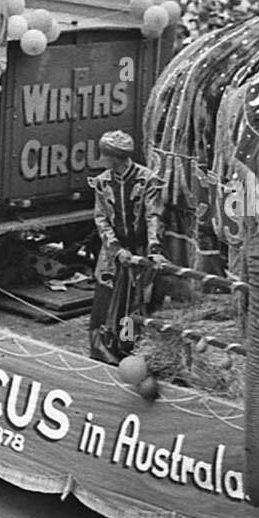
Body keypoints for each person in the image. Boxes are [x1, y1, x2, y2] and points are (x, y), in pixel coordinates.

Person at [88, 130, 165, 363]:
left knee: (133, 303)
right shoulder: (102, 182)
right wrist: (116, 249)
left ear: (114, 157)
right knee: (105, 300)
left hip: (139, 253)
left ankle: (126, 346)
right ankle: (101, 346)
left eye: (104, 155)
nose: (102, 159)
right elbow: (100, 218)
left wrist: (154, 249)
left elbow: (154, 216)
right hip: (113, 254)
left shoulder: (147, 179)